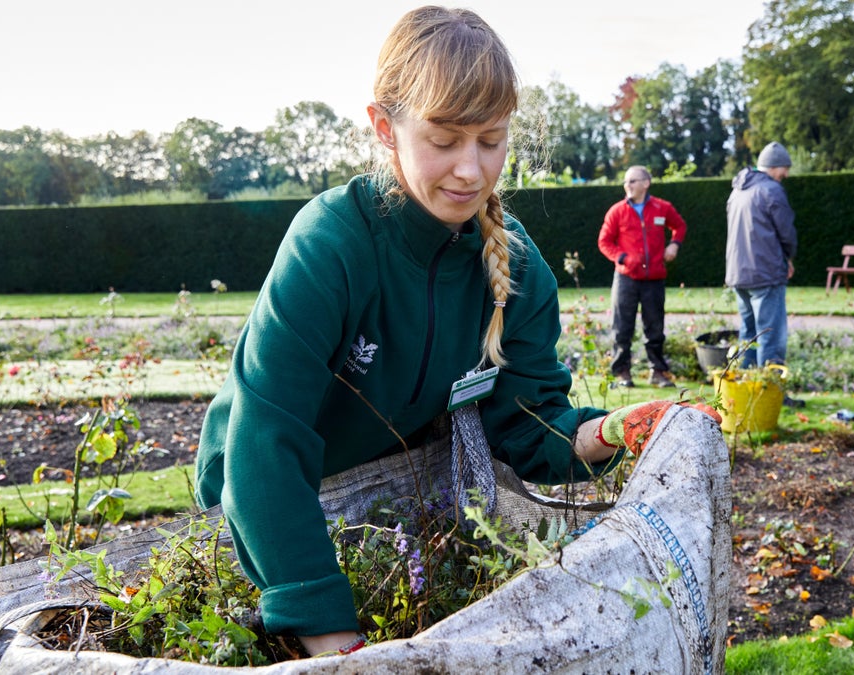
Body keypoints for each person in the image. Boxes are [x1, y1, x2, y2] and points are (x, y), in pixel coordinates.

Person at [194, 7, 716, 658]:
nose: (471, 169)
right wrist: (337, 639)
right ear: (385, 127)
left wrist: (608, 430)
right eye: (444, 139)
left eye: (491, 139)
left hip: (389, 517)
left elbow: (527, 424)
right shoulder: (331, 245)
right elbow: (263, 446)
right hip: (257, 519)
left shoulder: (516, 267)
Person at [597, 165, 688, 388]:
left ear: (646, 183)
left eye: (632, 181)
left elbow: (680, 226)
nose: (627, 185)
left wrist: (674, 245)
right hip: (626, 278)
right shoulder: (617, 211)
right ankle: (621, 373)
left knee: (655, 328)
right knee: (622, 327)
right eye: (626, 182)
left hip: (654, 278)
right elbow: (604, 242)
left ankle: (657, 372)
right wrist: (622, 258)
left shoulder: (662, 208)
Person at [725, 141, 797, 369]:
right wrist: (788, 258)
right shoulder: (771, 190)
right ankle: (770, 388)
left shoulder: (738, 190)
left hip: (738, 273)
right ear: (776, 167)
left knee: (748, 333)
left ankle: (745, 389)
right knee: (770, 334)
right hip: (765, 272)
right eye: (785, 169)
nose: (785, 174)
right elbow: (786, 232)